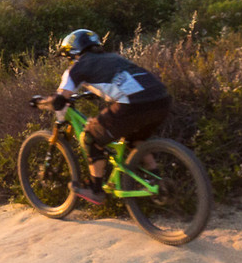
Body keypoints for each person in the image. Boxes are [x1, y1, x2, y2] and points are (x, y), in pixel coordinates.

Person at [47, 29, 171, 205]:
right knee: (136, 139)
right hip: (161, 99)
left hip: (133, 103)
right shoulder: (114, 58)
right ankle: (156, 179)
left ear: (73, 53)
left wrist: (40, 102)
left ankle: (95, 189)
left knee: (90, 137)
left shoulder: (77, 68)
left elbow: (59, 100)